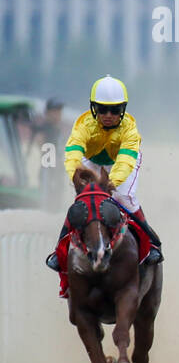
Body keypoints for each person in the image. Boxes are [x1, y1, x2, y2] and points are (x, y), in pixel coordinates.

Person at [45, 76, 163, 296]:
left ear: (123, 109)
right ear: (93, 109)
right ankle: (58, 252)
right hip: (92, 160)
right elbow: (72, 154)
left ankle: (150, 245)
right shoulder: (83, 125)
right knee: (83, 203)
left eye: (114, 110)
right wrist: (76, 176)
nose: (108, 116)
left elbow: (126, 160)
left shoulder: (130, 129)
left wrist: (112, 182)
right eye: (102, 109)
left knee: (123, 199)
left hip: (123, 161)